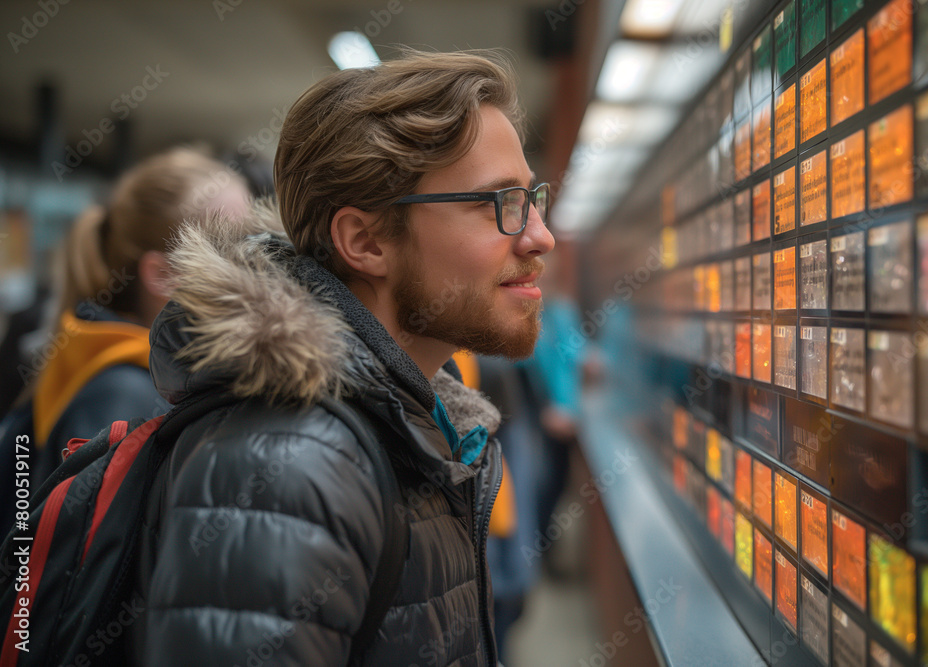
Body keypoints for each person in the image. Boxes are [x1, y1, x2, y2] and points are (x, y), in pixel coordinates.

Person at [132, 50, 555, 665]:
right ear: (363, 241)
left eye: (532, 197)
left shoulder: (415, 423)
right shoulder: (290, 467)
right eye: (498, 204)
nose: (540, 235)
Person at [14, 148, 250, 485]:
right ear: (162, 275)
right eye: (231, 248)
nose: (260, 263)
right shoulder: (125, 394)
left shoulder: (123, 369)